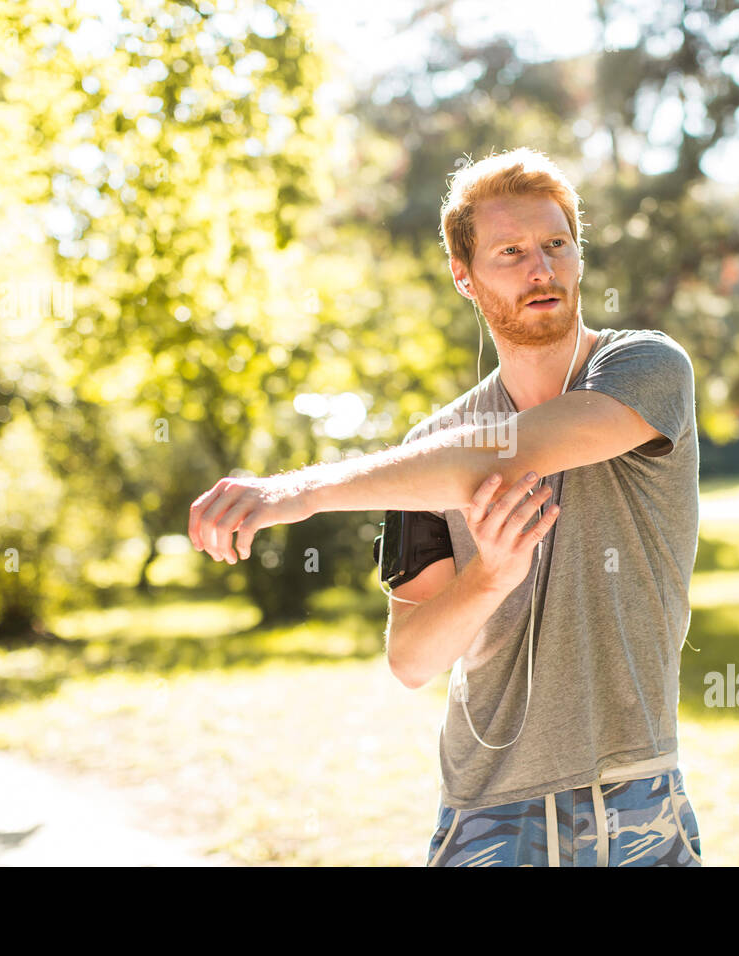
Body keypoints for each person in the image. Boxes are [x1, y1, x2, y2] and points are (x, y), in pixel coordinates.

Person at [188, 147, 703, 867]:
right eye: (512, 252)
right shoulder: (424, 454)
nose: (541, 269)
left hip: (638, 803)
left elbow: (506, 450)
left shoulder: (646, 370)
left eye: (557, 245)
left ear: (579, 256)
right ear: (464, 276)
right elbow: (411, 659)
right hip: (488, 812)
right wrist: (490, 577)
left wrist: (299, 493)